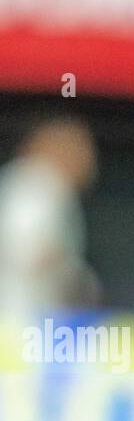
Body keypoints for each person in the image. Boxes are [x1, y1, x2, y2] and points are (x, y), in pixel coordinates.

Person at [0, 117, 98, 327]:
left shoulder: (49, 185)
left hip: (34, 317)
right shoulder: (35, 182)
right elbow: (25, 251)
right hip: (17, 316)